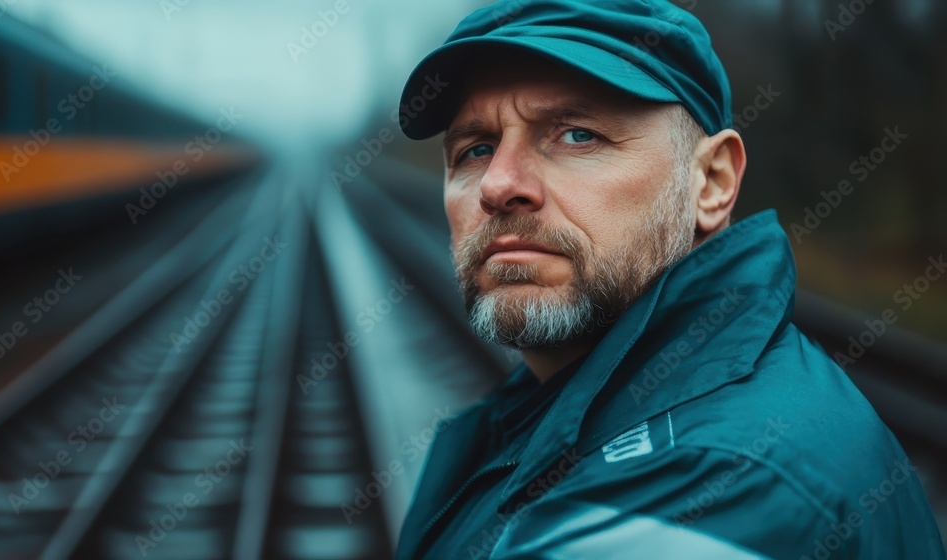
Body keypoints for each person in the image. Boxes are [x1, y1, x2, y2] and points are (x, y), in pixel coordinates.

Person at [392, 1, 946, 559]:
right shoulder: (555, 408)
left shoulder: (719, 487)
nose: (497, 183)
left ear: (711, 182)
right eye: (476, 149)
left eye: (578, 135)